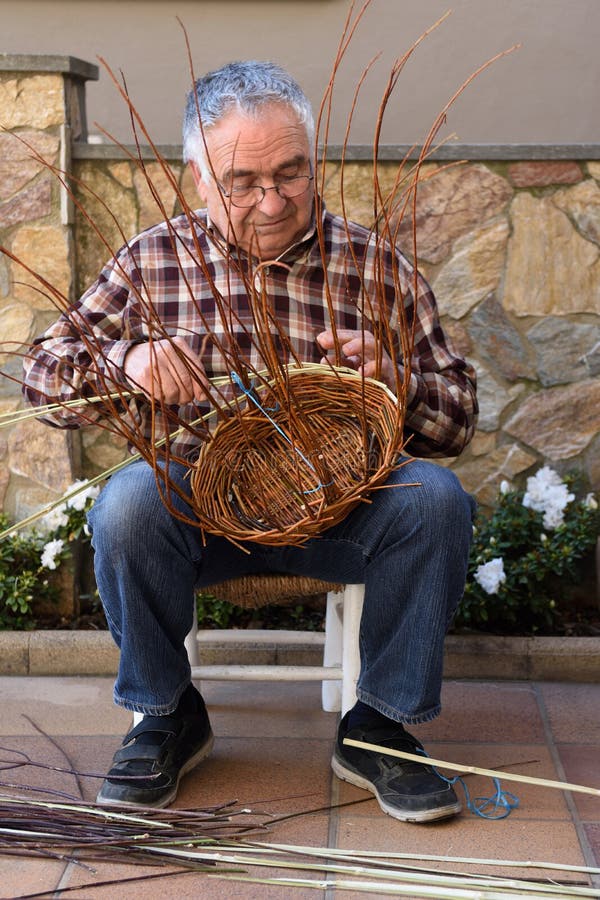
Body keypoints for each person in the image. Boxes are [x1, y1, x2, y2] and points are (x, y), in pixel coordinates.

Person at [22, 61, 477, 822]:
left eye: (292, 173)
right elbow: (40, 377)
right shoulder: (152, 261)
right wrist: (126, 360)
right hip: (199, 513)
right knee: (129, 501)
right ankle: (167, 716)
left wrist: (397, 380)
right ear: (197, 180)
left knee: (435, 500)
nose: (273, 202)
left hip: (345, 514)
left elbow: (458, 419)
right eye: (243, 182)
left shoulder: (374, 266)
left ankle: (380, 728)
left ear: (314, 158)